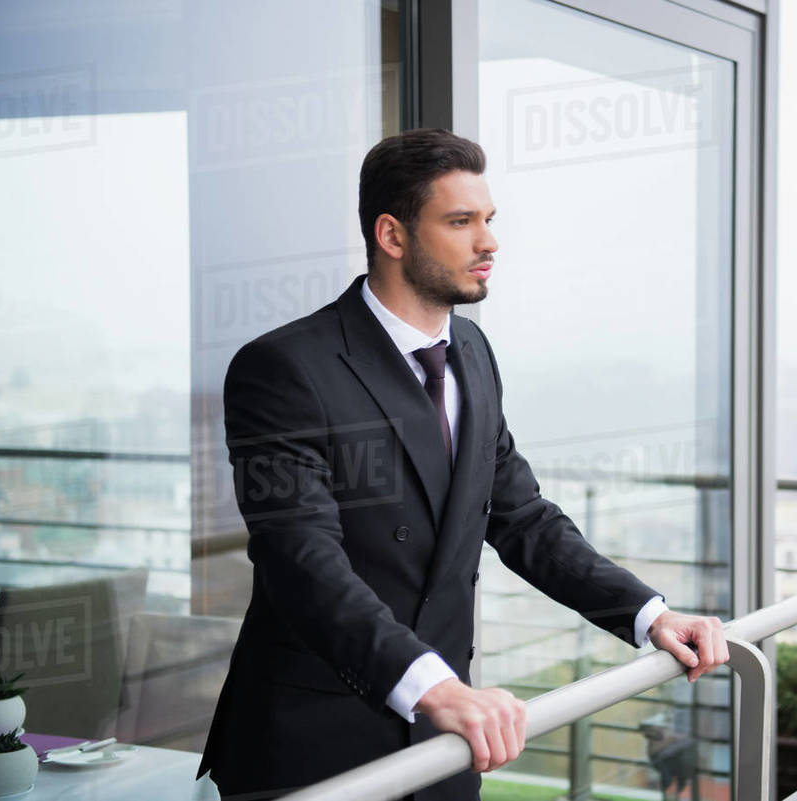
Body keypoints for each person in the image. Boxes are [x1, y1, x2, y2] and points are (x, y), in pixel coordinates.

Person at [197, 127, 729, 801]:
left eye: (489, 219)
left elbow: (522, 517)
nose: (489, 242)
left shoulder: (472, 351)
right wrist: (431, 686)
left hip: (447, 743)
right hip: (314, 746)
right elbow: (301, 562)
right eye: (460, 221)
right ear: (392, 235)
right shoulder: (285, 368)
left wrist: (648, 614)